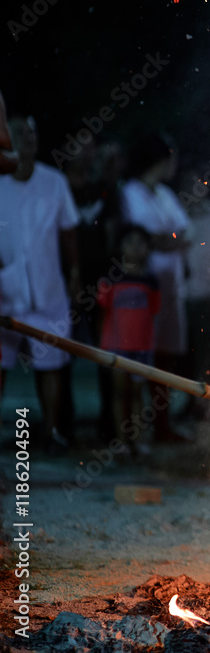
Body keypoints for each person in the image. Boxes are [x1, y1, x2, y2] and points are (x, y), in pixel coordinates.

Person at [0, 115, 81, 453]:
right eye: (19, 132)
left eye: (31, 132)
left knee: (51, 363)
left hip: (49, 289)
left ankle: (50, 431)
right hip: (5, 291)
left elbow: (68, 231)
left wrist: (75, 274)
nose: (27, 138)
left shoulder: (54, 181)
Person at [121, 131, 191, 442]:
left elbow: (182, 235)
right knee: (137, 356)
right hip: (142, 287)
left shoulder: (164, 194)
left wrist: (168, 241)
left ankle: (161, 424)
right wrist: (168, 240)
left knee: (164, 356)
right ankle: (128, 430)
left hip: (170, 285)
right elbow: (146, 238)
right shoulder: (131, 192)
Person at [97, 224, 160, 461]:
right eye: (129, 242)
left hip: (142, 346)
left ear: (147, 249)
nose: (135, 247)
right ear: (120, 247)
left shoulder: (151, 281)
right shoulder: (110, 279)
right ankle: (121, 442)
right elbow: (102, 311)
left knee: (137, 394)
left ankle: (138, 440)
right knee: (119, 394)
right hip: (115, 346)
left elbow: (153, 311)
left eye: (140, 243)